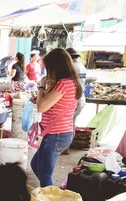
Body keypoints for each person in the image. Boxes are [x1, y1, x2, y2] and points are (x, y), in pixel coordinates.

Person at [31, 48, 82, 187]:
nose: (47, 71)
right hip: (58, 133)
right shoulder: (70, 82)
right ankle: (50, 193)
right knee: (35, 165)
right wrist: (42, 94)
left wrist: (41, 87)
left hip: (56, 135)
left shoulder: (64, 83)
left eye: (48, 68)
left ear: (56, 67)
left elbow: (42, 107)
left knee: (45, 176)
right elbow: (51, 102)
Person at [66, 48, 87, 130]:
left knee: (67, 123)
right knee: (71, 123)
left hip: (73, 99)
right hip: (80, 97)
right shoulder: (81, 66)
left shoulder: (71, 67)